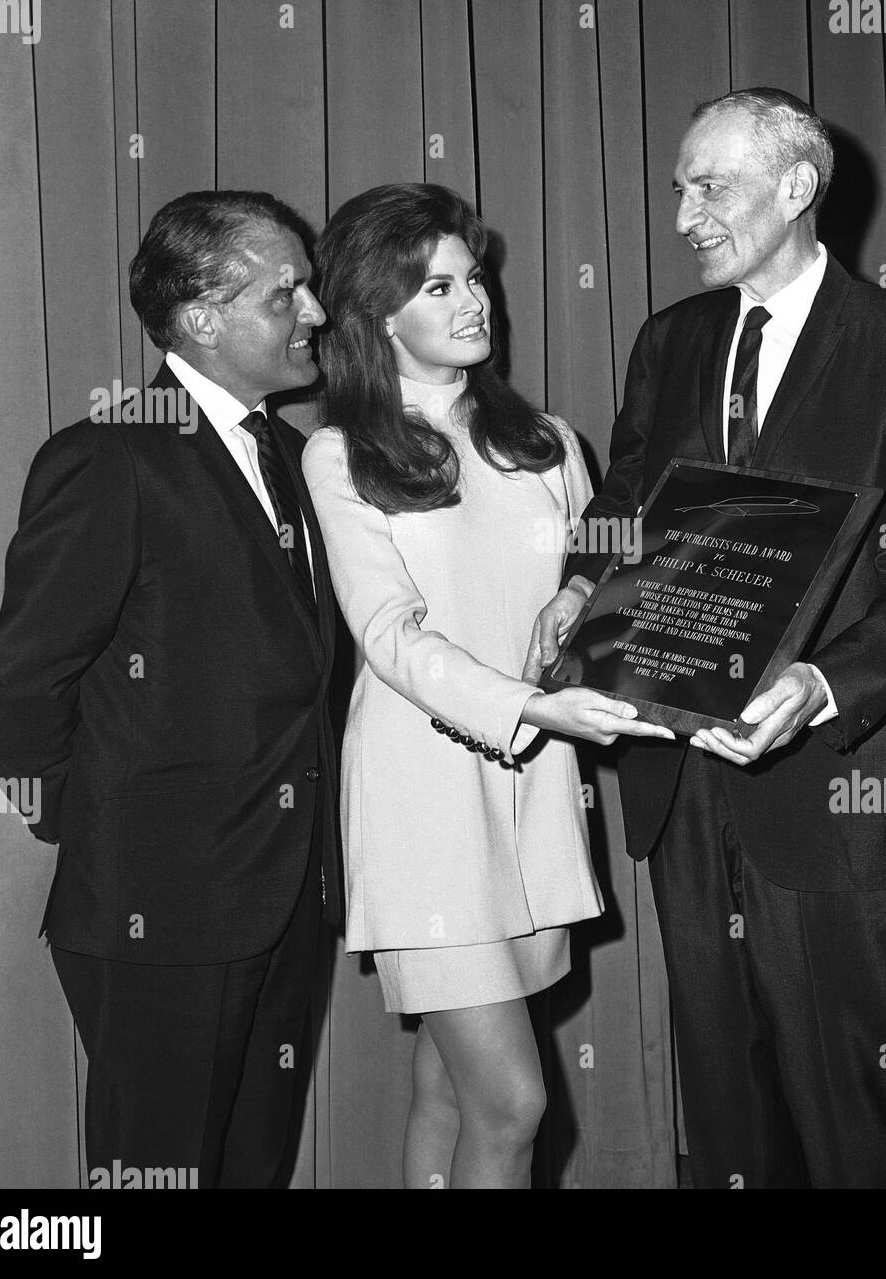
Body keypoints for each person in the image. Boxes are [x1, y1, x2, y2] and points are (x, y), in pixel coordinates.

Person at [526, 88, 886, 1188]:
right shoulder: (670, 338)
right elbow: (627, 498)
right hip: (679, 776)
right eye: (680, 186)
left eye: (711, 186)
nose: (684, 211)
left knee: (850, 1092)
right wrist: (579, 579)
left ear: (798, 188)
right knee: (724, 1091)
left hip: (831, 780)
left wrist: (825, 685)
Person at [0, 191, 341, 1188]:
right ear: (201, 316)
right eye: (287, 292)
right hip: (159, 912)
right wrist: (110, 834)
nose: (314, 313)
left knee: (249, 1167)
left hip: (293, 896)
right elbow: (14, 691)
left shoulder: (306, 462)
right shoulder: (112, 459)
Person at [302, 182, 670, 1190]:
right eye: (438, 285)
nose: (476, 302)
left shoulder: (547, 439)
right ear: (379, 316)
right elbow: (387, 634)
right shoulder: (341, 453)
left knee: (450, 1089)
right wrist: (526, 704)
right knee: (514, 1106)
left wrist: (584, 609)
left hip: (537, 789)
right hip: (424, 795)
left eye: (475, 278)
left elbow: (603, 594)